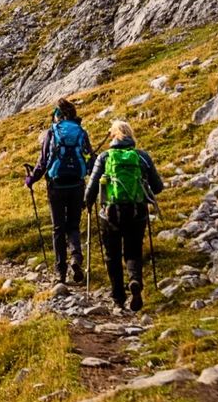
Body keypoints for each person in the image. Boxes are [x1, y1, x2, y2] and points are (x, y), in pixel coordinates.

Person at [85, 120, 164, 312]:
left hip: (109, 214)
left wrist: (87, 204)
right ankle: (135, 280)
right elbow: (158, 187)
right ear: (131, 135)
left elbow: (92, 187)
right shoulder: (142, 157)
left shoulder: (104, 158)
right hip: (137, 212)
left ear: (113, 136)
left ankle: (118, 298)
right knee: (133, 250)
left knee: (112, 255)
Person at [24, 98, 93, 285]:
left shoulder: (52, 132)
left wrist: (31, 179)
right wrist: (86, 170)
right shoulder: (81, 132)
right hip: (77, 184)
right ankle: (76, 259)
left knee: (58, 228)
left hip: (56, 186)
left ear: (58, 116)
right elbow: (91, 157)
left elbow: (43, 161)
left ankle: (60, 272)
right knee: (73, 225)